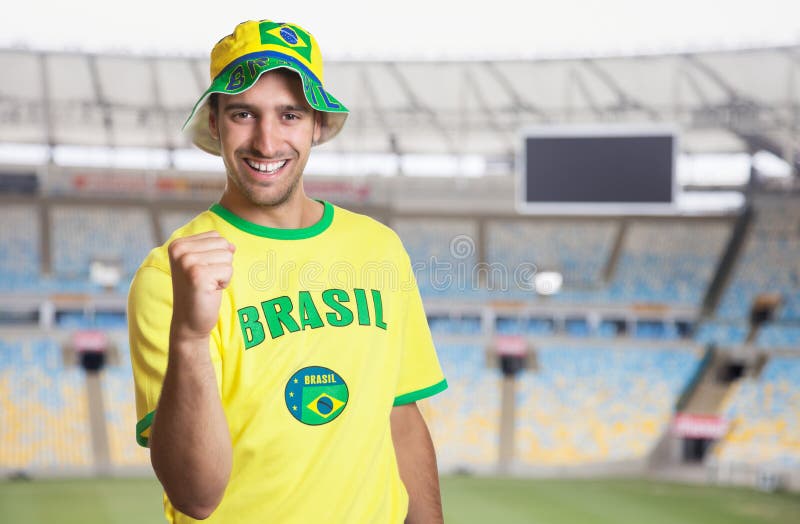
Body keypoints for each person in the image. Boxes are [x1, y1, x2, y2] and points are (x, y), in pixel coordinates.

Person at [128, 19, 448, 523]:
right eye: (242, 113)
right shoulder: (170, 274)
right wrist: (190, 338)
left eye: (290, 114)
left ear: (317, 125)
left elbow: (400, 418)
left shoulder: (378, 249)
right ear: (214, 123)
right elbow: (196, 496)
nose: (267, 140)